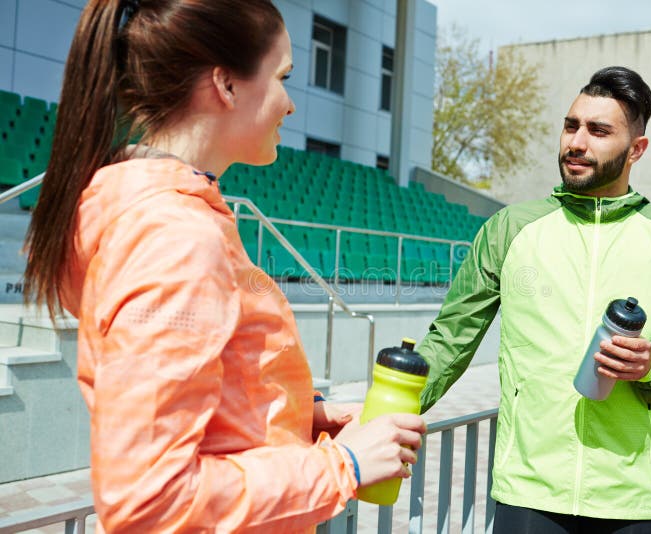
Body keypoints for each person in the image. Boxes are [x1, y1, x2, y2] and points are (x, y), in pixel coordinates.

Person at [23, 1, 426, 532]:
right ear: (227, 86)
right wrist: (341, 466)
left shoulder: (181, 216)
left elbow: (207, 398)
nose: (290, 105)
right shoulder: (175, 238)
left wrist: (300, 411)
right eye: (282, 77)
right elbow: (148, 499)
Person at [416, 66, 651, 533]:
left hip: (631, 498)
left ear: (635, 150)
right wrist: (375, 416)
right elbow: (448, 342)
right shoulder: (510, 229)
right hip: (529, 491)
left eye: (599, 131)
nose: (576, 142)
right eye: (571, 126)